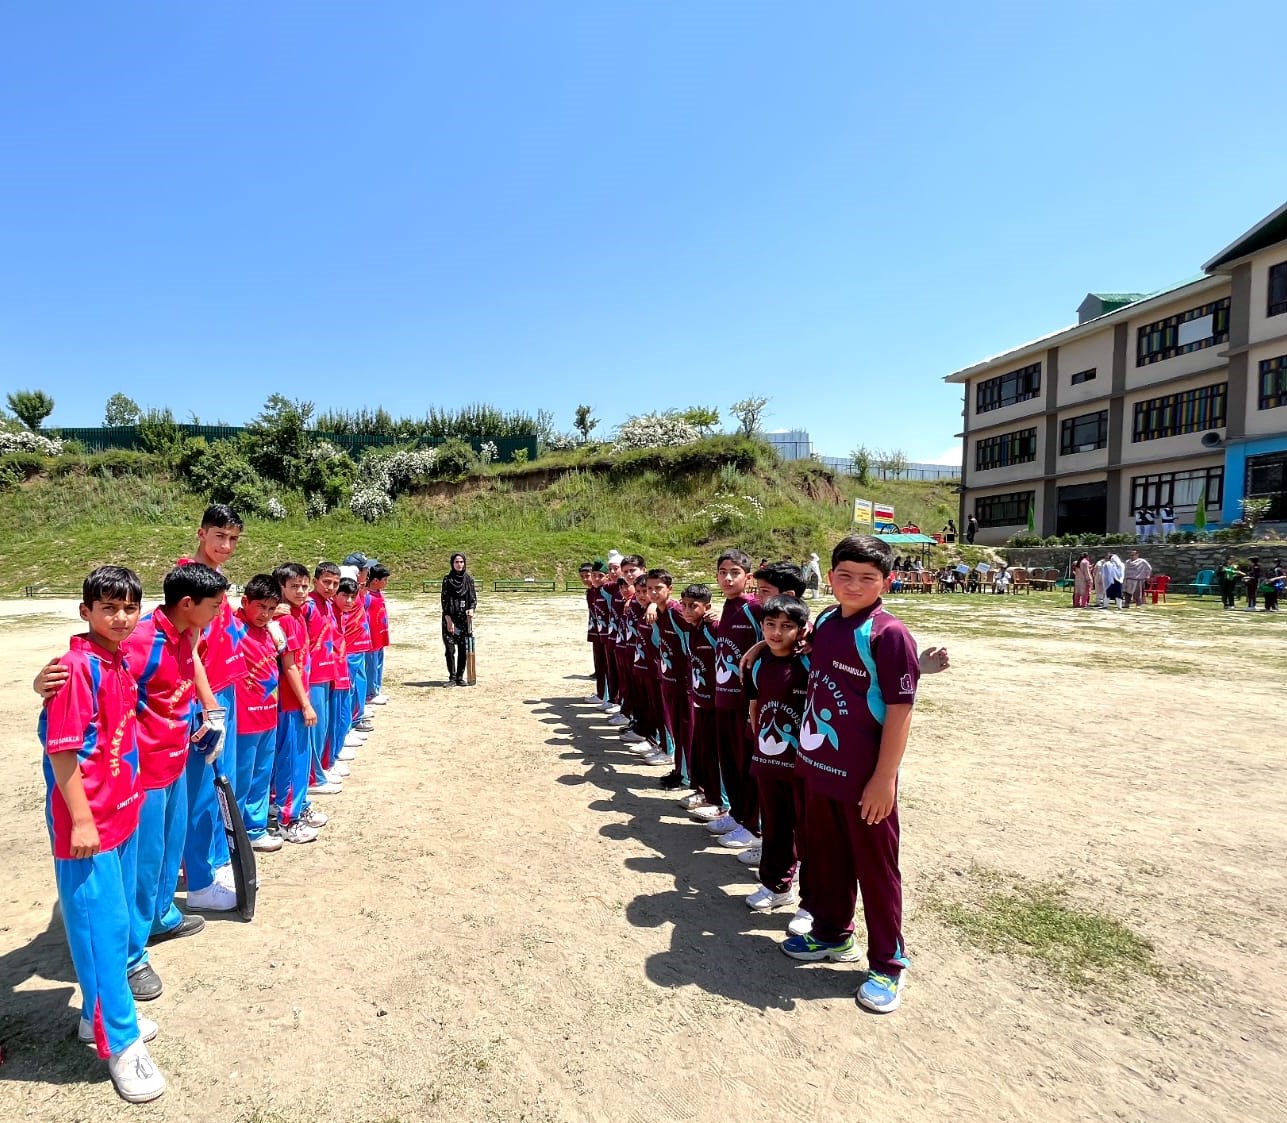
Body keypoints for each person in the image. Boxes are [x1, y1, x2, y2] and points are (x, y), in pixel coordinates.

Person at [39, 565, 165, 1102]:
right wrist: (83, 820)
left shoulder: (117, 662)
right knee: (100, 932)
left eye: (128, 607)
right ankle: (121, 1043)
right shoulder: (75, 667)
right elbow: (63, 749)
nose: (119, 617)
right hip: (86, 824)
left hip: (120, 812)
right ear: (85, 610)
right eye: (108, 607)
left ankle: (102, 1016)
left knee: (112, 929)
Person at [783, 534, 919, 1015]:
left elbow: (900, 711)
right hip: (818, 768)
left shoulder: (889, 633)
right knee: (824, 858)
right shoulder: (823, 620)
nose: (854, 585)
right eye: (845, 575)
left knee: (876, 872)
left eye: (868, 578)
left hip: (865, 780)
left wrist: (885, 778)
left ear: (887, 581)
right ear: (830, 576)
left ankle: (887, 963)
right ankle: (833, 934)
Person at [124, 564, 226, 999]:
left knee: (169, 849)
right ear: (187, 604)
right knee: (142, 861)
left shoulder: (187, 636)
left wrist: (207, 713)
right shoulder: (141, 641)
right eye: (215, 606)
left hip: (176, 762)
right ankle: (129, 954)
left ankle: (161, 916)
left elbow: (184, 683)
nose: (220, 613)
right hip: (143, 774)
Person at [745, 595, 812, 930]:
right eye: (770, 625)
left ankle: (813, 903)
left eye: (787, 626)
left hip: (805, 766)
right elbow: (756, 708)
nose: (776, 632)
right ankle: (776, 885)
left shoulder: (809, 665)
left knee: (810, 832)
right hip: (768, 761)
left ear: (801, 630)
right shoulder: (756, 663)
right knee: (774, 826)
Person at [708, 549, 764, 852]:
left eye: (735, 572)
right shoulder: (727, 607)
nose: (728, 578)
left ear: (748, 577)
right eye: (722, 572)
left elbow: (773, 643)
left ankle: (752, 826)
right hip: (723, 699)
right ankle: (737, 814)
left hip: (746, 703)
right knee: (728, 762)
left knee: (747, 765)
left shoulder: (754, 609)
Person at [233, 574, 289, 853]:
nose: (264, 614)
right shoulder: (233, 627)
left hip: (269, 716)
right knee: (241, 780)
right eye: (259, 607)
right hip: (244, 722)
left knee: (262, 776)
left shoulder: (271, 630)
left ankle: (255, 829)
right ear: (245, 602)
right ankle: (235, 836)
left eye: (270, 608)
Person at [269, 562, 321, 842]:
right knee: (293, 762)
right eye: (294, 586)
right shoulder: (285, 620)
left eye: (304, 585)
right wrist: (305, 703)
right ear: (281, 589)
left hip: (298, 698)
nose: (301, 591)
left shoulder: (298, 614)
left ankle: (294, 806)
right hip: (291, 702)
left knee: (295, 760)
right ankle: (288, 820)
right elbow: (289, 666)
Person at [441, 552, 477, 686]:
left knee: (463, 649)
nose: (459, 564)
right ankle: (452, 677)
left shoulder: (468, 580)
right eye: (456, 562)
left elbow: (473, 599)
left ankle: (460, 677)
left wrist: (472, 609)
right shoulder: (447, 580)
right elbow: (444, 601)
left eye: (461, 562)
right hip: (450, 618)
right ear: (452, 563)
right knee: (450, 649)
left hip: (464, 620)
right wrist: (448, 620)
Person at [364, 562, 391, 706]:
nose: (386, 583)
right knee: (371, 666)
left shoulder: (379, 593)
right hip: (371, 639)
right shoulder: (367, 596)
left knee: (379, 664)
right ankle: (370, 693)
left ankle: (377, 689)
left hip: (381, 636)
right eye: (384, 580)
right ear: (375, 581)